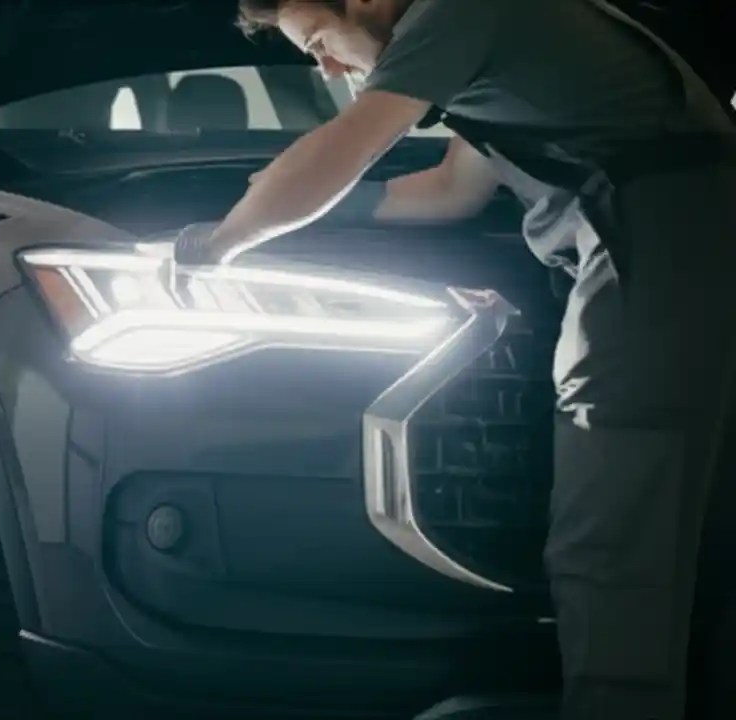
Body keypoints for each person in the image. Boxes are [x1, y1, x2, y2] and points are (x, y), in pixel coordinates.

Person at [175, 1, 736, 718]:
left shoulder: (458, 11)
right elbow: (450, 191)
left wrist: (215, 245)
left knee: (611, 542)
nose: (327, 65)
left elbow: (352, 143)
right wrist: (289, 209)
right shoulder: (492, 38)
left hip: (663, 245)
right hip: (689, 239)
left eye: (319, 41)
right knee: (703, 540)